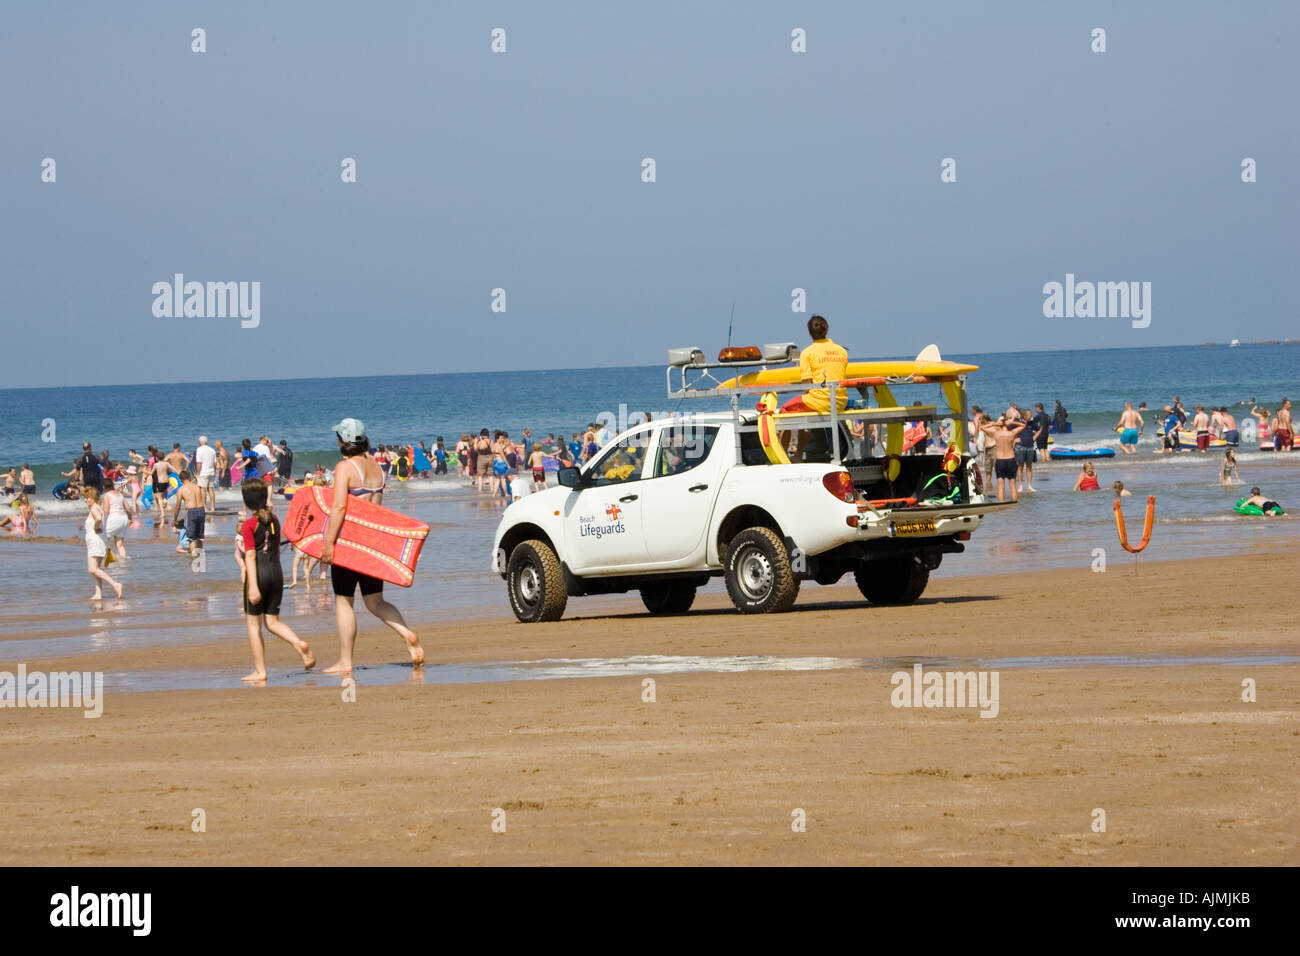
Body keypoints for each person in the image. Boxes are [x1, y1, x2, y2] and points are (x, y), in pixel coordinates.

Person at [321, 419, 424, 674]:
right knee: (375, 601)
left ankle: (345, 661)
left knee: (344, 601)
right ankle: (407, 634)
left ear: (343, 441)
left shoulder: (344, 467)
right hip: (373, 545)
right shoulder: (377, 468)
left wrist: (328, 542)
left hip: (349, 544)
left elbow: (339, 507)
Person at [237, 477, 315, 682]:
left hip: (259, 575)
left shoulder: (248, 525)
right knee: (272, 622)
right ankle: (299, 644)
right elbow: (275, 551)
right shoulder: (274, 521)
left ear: (246, 502)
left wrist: (252, 585)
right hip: (276, 573)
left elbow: (251, 556)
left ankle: (260, 671)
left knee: (254, 626)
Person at [783, 315, 849, 461]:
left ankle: (785, 457)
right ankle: (799, 454)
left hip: (820, 401)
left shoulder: (807, 352)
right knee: (803, 416)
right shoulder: (842, 351)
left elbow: (807, 385)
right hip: (840, 401)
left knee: (784, 412)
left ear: (809, 332)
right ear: (827, 329)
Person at [81, 488, 122, 600]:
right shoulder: (99, 508)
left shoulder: (94, 508)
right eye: (85, 498)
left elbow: (98, 518)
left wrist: (95, 527)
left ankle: (115, 584)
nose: (86, 500)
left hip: (95, 540)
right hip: (99, 540)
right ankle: (98, 593)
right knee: (97, 569)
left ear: (94, 498)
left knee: (92, 569)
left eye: (88, 498)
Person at [980, 416, 1028, 502]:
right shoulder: (1012, 433)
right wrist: (1013, 422)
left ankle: (1001, 503)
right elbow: (1023, 426)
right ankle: (1014, 503)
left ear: (1000, 424)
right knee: (1012, 485)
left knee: (1000, 485)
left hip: (1000, 460)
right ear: (1007, 424)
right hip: (1011, 459)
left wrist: (995, 424)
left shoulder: (996, 433)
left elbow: (982, 427)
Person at [170, 470, 206, 558]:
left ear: (180, 480)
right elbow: (204, 499)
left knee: (192, 538)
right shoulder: (198, 487)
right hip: (201, 511)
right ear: (189, 477)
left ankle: (194, 559)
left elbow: (177, 507)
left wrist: (174, 519)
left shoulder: (181, 490)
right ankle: (200, 558)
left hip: (191, 512)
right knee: (199, 537)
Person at [101, 481, 132, 559]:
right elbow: (128, 508)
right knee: (120, 544)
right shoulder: (120, 494)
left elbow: (106, 511)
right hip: (123, 519)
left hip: (113, 519)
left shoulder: (107, 495)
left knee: (103, 540)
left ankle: (108, 559)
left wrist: (100, 521)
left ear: (104, 487)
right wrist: (130, 519)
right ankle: (123, 561)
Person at [1014, 408, 1037, 492]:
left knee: (1029, 466)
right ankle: (1020, 486)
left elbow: (1040, 429)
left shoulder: (1032, 423)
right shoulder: (1017, 423)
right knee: (1020, 466)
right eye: (1030, 414)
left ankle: (1029, 486)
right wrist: (1014, 439)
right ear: (1025, 415)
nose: (1031, 416)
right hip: (1020, 446)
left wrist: (1035, 437)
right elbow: (1008, 430)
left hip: (1030, 446)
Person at [194, 436, 218, 510]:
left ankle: (204, 507)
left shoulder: (199, 449)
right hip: (211, 472)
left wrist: (198, 473)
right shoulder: (212, 450)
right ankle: (213, 507)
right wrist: (214, 471)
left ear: (200, 442)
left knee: (203, 489)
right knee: (211, 489)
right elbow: (215, 463)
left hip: (203, 472)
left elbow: (199, 463)